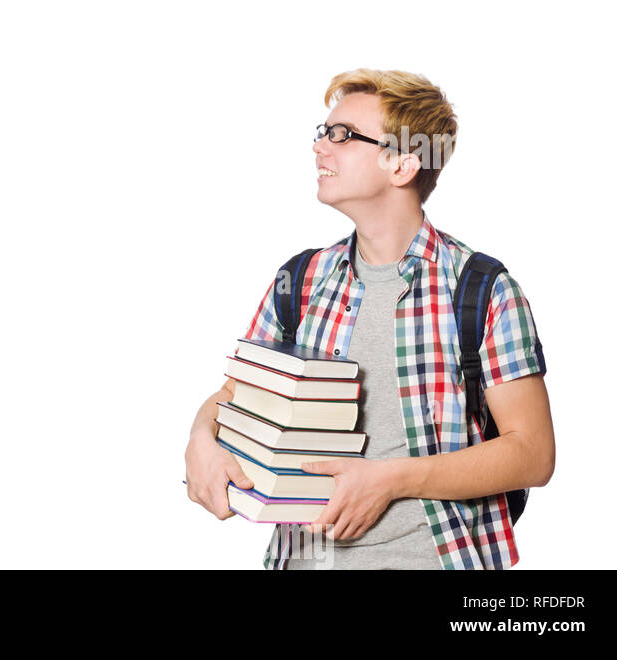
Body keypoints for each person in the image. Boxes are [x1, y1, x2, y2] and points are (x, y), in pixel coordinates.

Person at [183, 69, 553, 569]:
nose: (321, 147)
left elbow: (532, 453)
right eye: (322, 132)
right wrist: (200, 440)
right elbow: (233, 398)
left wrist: (389, 479)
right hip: (303, 559)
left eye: (343, 135)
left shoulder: (482, 288)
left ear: (402, 163)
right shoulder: (300, 279)